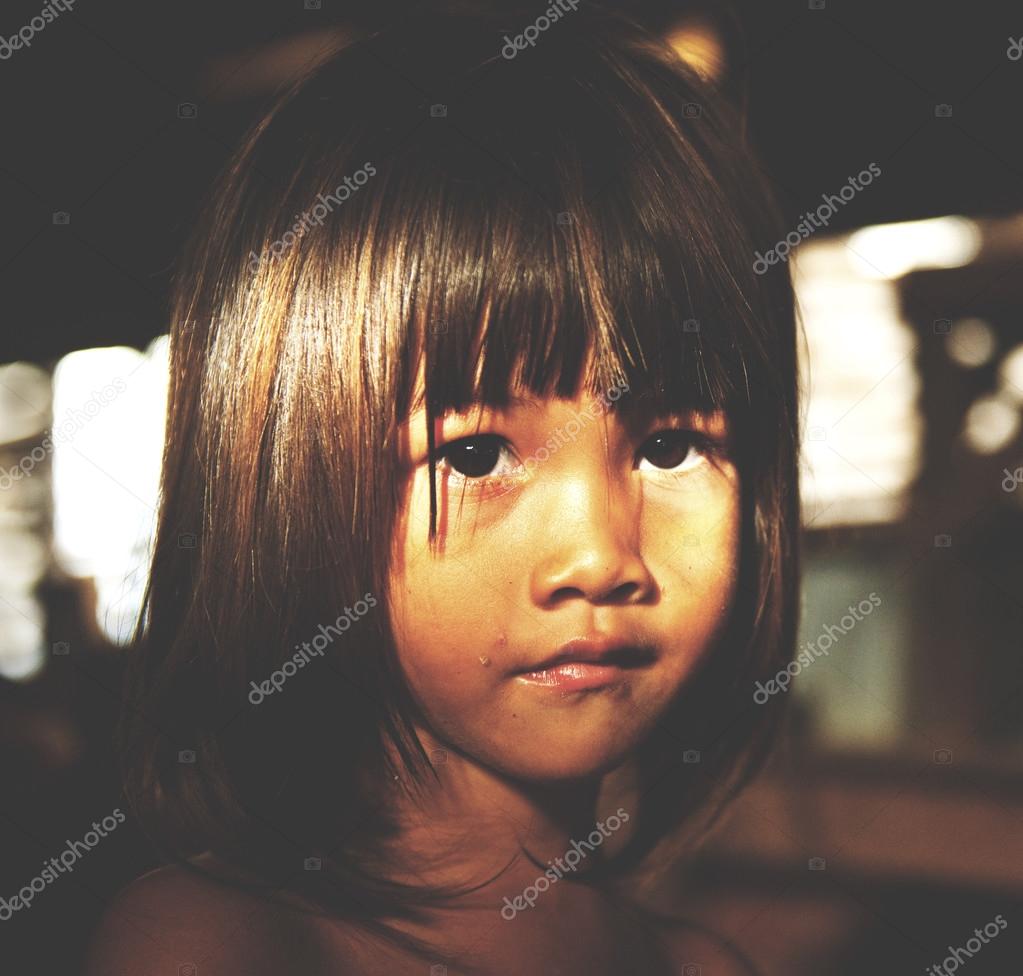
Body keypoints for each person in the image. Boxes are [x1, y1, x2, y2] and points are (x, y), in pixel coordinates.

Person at [83, 2, 800, 973]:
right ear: (290, 480)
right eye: (472, 457)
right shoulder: (218, 945)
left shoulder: (707, 965)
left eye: (671, 446)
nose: (599, 555)